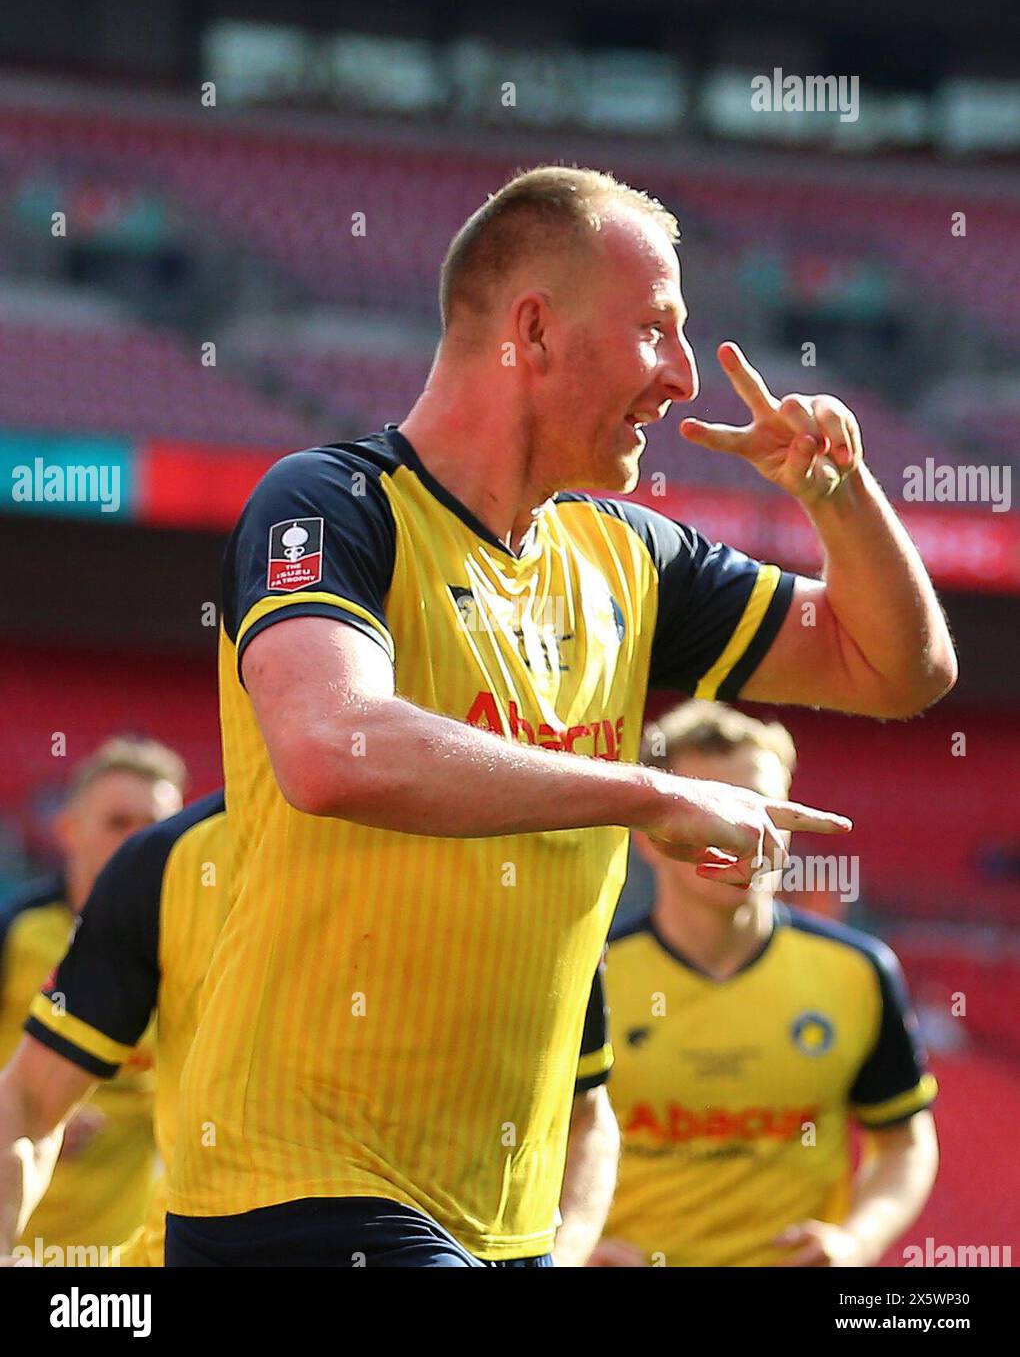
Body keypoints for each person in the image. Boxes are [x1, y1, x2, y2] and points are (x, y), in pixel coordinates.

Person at [166, 165, 955, 1267]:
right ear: (532, 332)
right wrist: (649, 790)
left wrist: (838, 495)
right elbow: (332, 747)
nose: (684, 378)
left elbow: (899, 668)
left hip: (507, 1212)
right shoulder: (328, 503)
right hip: (300, 1184)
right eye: (657, 330)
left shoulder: (629, 553)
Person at [0, 789, 616, 1267]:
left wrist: (565, 1253)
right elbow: (29, 1099)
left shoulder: (533, 863)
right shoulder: (166, 861)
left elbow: (586, 1114)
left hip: (478, 1243)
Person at [591, 701, 939, 1268]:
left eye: (765, 811)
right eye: (715, 810)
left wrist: (857, 1241)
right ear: (649, 837)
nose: (746, 835)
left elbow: (904, 1143)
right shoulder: (591, 975)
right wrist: (577, 1245)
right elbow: (521, 1144)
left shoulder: (858, 971)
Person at [0, 737, 184, 1263]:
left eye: (155, 827)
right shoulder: (19, 933)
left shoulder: (196, 941)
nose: (138, 843)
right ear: (68, 831)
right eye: (118, 823)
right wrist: (41, 1110)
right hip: (20, 1244)